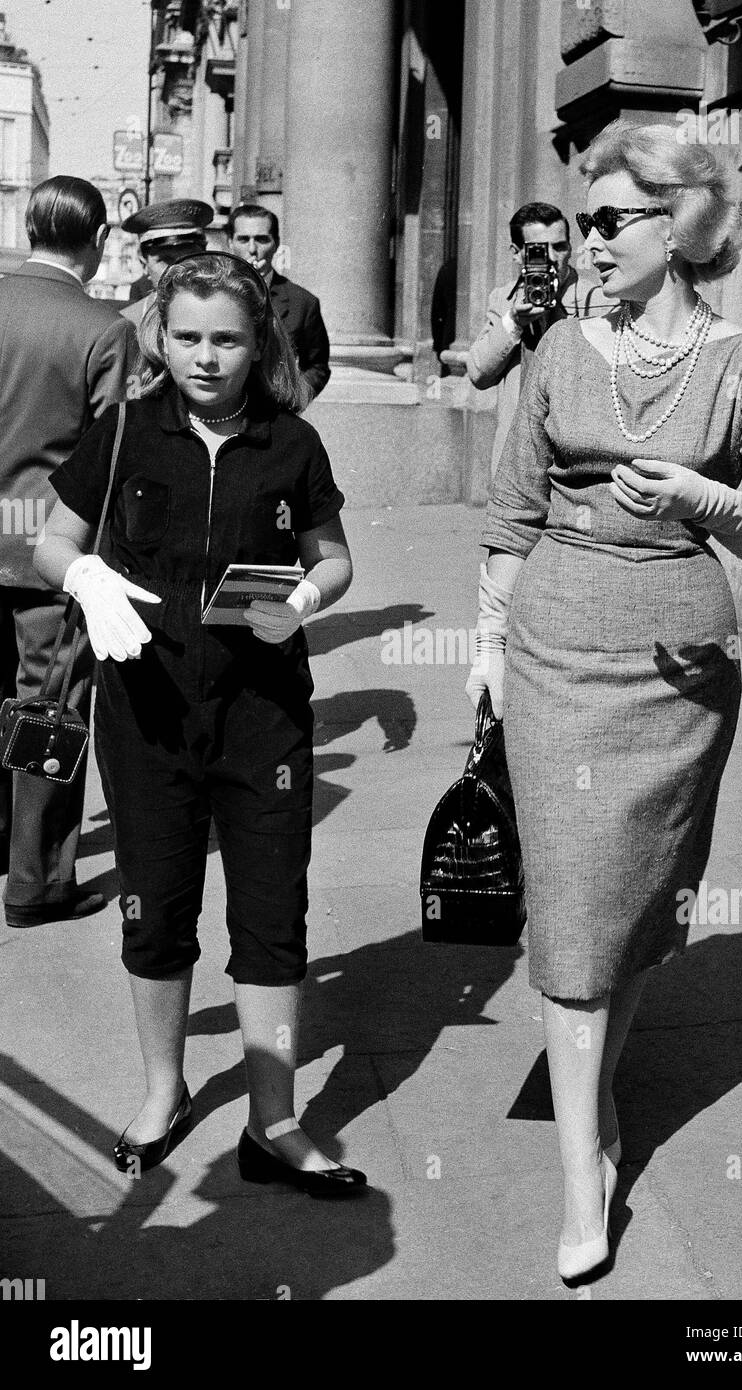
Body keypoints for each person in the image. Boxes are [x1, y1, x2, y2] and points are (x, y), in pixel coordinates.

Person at [465, 121, 742, 1284]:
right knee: (570, 904)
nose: (588, 244)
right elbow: (512, 511)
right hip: (557, 645)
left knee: (630, 901)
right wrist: (483, 641)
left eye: (609, 223)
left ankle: (597, 1086)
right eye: (582, 225)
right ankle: (584, 1169)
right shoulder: (561, 347)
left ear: (678, 228)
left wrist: (704, 497)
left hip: (677, 664)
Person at [34, 252, 365, 1194]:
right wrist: (85, 577)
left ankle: (275, 1119)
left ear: (259, 343)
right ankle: (162, 1090)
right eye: (187, 338)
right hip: (144, 710)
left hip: (262, 714)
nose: (206, 357)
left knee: (271, 911)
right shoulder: (126, 429)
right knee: (156, 902)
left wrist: (302, 597)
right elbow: (51, 540)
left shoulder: (291, 443)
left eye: (226, 339)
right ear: (160, 337)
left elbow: (333, 560)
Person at [0, 175, 130, 927]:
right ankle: (38, 880)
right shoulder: (103, 329)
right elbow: (111, 454)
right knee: (46, 710)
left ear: (27, 227)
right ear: (99, 239)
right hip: (49, 551)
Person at [467, 201, 608, 477]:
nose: (552, 258)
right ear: (517, 254)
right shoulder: (504, 299)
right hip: (517, 456)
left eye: (560, 246)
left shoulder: (599, 299)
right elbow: (478, 373)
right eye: (538, 250)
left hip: (574, 459)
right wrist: (514, 322)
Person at [227, 203, 331, 400]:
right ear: (230, 242)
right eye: (243, 239)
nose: (252, 249)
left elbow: (317, 367)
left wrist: (293, 401)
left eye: (261, 240)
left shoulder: (303, 303)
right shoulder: (213, 293)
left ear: (276, 244)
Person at [119, 198, 212, 330]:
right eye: (165, 260)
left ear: (204, 256)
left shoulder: (226, 318)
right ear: (143, 262)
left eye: (188, 258)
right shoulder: (127, 326)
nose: (178, 271)